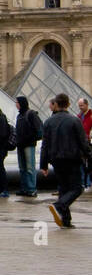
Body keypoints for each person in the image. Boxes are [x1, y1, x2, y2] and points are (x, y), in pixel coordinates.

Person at [40, 93, 91, 228]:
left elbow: (45, 145)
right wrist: (89, 155)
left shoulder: (48, 122)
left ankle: (66, 220)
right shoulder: (75, 120)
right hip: (72, 159)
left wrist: (43, 165)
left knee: (63, 188)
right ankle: (59, 205)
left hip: (56, 160)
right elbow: (83, 142)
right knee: (77, 188)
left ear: (56, 104)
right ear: (68, 104)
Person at [13, 96, 42, 198]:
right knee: (22, 168)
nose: (15, 104)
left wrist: (30, 139)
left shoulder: (31, 114)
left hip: (29, 144)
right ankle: (25, 188)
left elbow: (38, 130)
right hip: (21, 145)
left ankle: (31, 189)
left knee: (30, 168)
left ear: (21, 103)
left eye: (17, 102)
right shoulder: (19, 115)